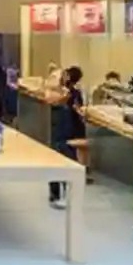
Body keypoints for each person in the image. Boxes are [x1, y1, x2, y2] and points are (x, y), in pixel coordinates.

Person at [48, 66, 85, 209]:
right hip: (59, 131)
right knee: (56, 162)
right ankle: (56, 194)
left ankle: (68, 193)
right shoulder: (57, 93)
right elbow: (51, 100)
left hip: (68, 132)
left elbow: (79, 110)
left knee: (69, 162)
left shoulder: (74, 93)